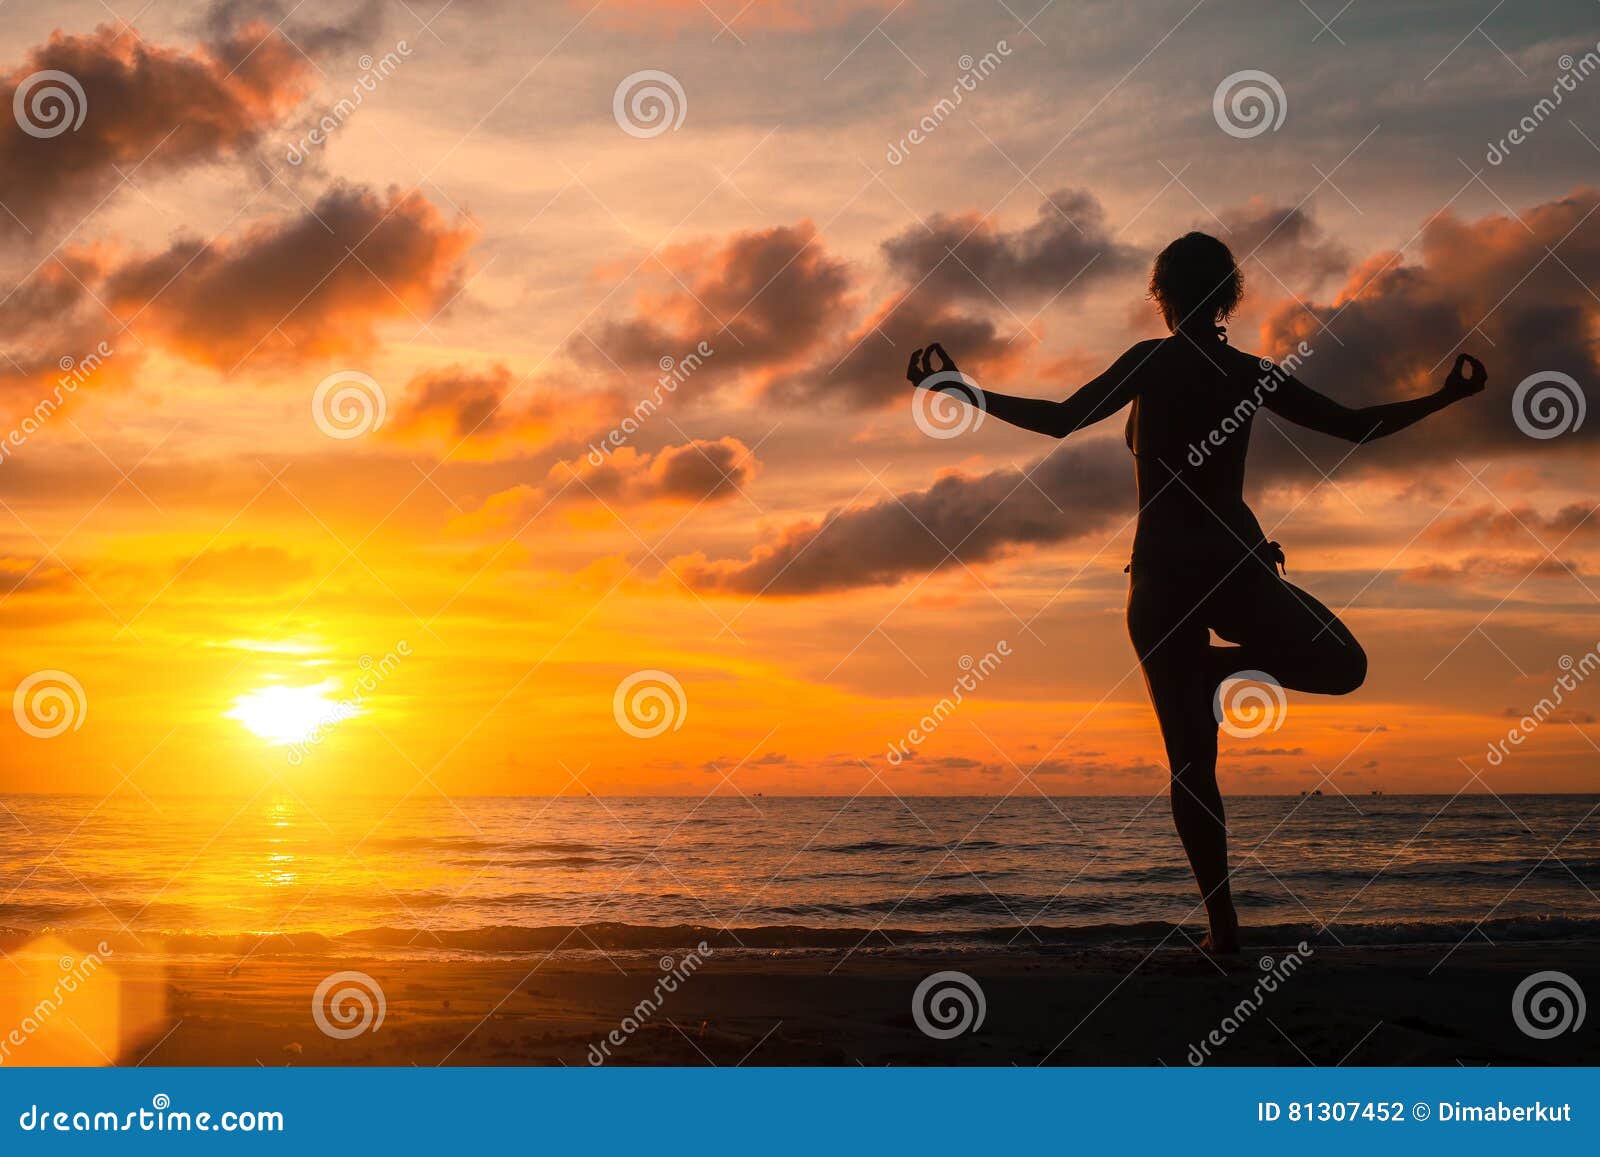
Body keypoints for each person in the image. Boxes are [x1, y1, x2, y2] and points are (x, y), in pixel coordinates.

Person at [907, 231, 1487, 952]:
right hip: (1226, 565)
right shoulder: (1247, 372)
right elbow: (1357, 429)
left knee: (1193, 762)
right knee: (1340, 665)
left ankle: (1224, 930)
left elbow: (1061, 419)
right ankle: (1224, 922)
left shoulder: (1156, 361)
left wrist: (963, 392)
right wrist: (1444, 397)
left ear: (1164, 296)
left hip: (1164, 578)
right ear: (1229, 295)